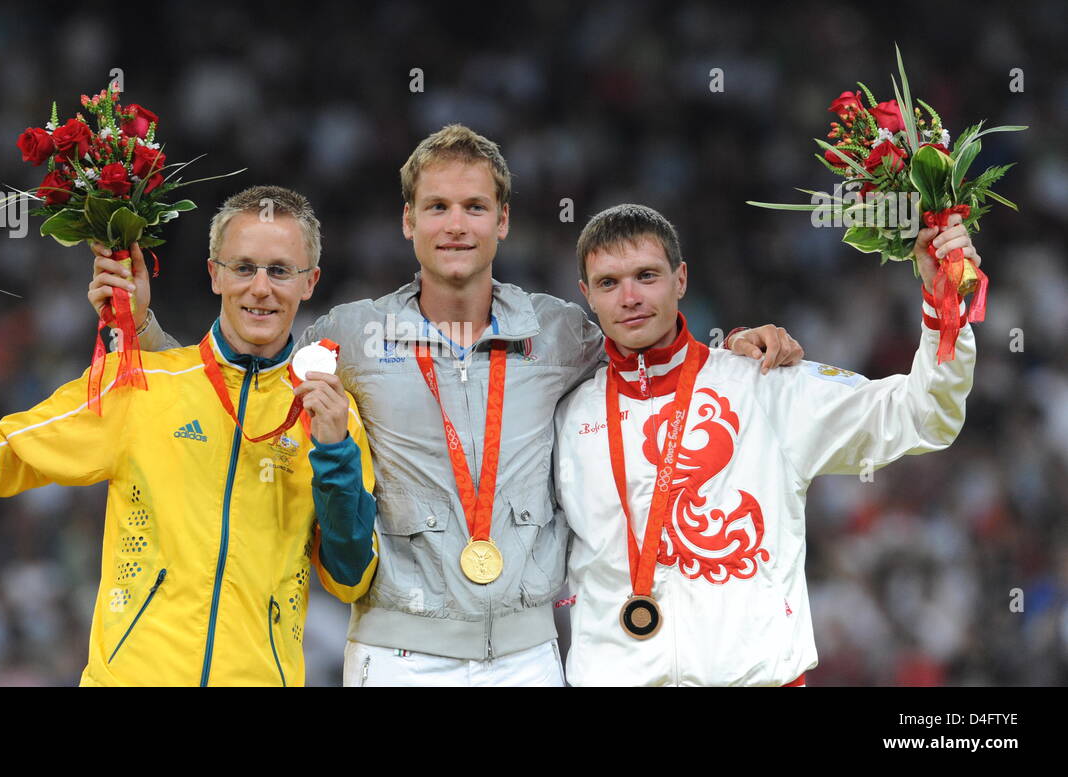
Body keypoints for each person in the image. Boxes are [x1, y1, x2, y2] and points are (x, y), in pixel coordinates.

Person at [123, 125, 805, 686]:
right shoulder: (350, 335)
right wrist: (145, 332)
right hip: (396, 656)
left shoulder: (561, 332)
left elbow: (649, 355)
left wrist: (736, 344)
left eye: (475, 207)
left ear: (502, 221)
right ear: (407, 220)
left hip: (530, 658)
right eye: (438, 206)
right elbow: (233, 387)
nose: (456, 224)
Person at [0, 185, 379, 686]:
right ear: (214, 273)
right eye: (244, 267)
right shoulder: (142, 384)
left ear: (311, 280)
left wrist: (333, 453)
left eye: (281, 271)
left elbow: (350, 577)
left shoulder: (332, 414)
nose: (261, 288)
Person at [553, 203, 979, 686]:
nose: (629, 297)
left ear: (681, 280)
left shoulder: (763, 383)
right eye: (609, 283)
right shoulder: (567, 417)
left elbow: (921, 415)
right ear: (586, 295)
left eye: (646, 276)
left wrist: (943, 302)